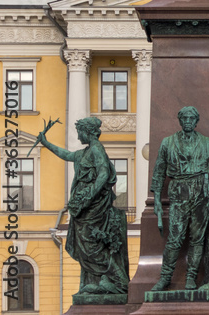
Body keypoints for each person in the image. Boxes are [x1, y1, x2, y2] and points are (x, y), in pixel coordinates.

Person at [37, 117, 129, 295]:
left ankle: (119, 281)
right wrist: (45, 143)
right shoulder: (85, 152)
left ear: (88, 131)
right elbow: (67, 155)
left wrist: (88, 195)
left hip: (94, 207)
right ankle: (101, 281)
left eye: (79, 132)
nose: (78, 136)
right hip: (84, 209)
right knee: (84, 245)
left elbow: (103, 173)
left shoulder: (96, 150)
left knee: (90, 245)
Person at [150, 106, 209, 291]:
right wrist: (157, 199)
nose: (188, 121)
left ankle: (191, 277)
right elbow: (158, 171)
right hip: (179, 191)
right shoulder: (167, 143)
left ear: (196, 121)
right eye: (185, 118)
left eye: (192, 118)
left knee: (197, 239)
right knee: (175, 237)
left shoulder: (207, 143)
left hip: (200, 191)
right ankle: (165, 277)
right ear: (180, 120)